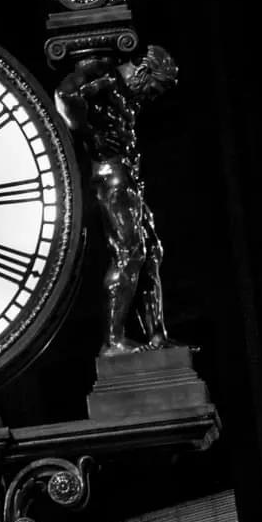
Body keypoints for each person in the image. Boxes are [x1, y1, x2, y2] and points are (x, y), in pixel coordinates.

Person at [55, 45, 180, 355]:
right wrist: (89, 134)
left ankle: (157, 336)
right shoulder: (105, 76)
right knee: (130, 251)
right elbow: (65, 94)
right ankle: (113, 341)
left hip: (125, 172)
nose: (151, 97)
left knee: (150, 252)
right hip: (111, 174)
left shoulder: (124, 92)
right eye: (154, 88)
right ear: (144, 71)